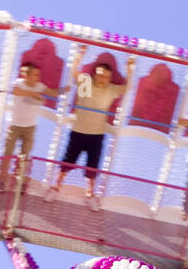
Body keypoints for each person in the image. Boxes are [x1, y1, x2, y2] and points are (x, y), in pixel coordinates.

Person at [50, 56, 136, 210]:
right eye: (100, 75)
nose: (103, 78)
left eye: (106, 76)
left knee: (92, 167)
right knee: (67, 163)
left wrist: (130, 70)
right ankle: (55, 188)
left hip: (96, 135)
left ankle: (89, 195)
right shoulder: (86, 84)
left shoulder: (111, 90)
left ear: (110, 78)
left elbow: (127, 88)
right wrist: (80, 55)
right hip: (78, 132)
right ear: (95, 74)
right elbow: (74, 73)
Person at [0, 61, 68, 189]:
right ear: (27, 76)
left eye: (38, 75)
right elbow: (16, 91)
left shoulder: (39, 86)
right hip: (15, 125)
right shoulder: (18, 83)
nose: (38, 78)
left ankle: (20, 181)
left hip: (30, 127)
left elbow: (52, 93)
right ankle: (2, 178)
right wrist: (33, 95)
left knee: (25, 155)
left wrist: (64, 89)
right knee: (8, 152)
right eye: (35, 75)